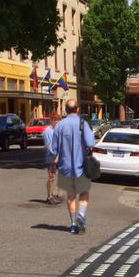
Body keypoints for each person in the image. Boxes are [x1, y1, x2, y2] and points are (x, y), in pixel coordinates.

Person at [49, 98, 95, 234]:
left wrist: (52, 164)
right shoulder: (83, 123)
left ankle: (74, 224)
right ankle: (81, 215)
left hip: (66, 166)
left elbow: (54, 149)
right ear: (78, 110)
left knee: (70, 196)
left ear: (65, 110)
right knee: (84, 193)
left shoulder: (59, 125)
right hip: (82, 166)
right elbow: (90, 142)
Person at [43, 111, 62, 205]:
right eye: (56, 121)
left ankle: (53, 195)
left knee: (54, 177)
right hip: (51, 158)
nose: (57, 123)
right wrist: (54, 156)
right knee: (51, 177)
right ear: (51, 120)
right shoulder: (47, 131)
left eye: (58, 121)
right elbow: (49, 145)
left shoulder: (57, 131)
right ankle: (49, 197)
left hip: (57, 157)